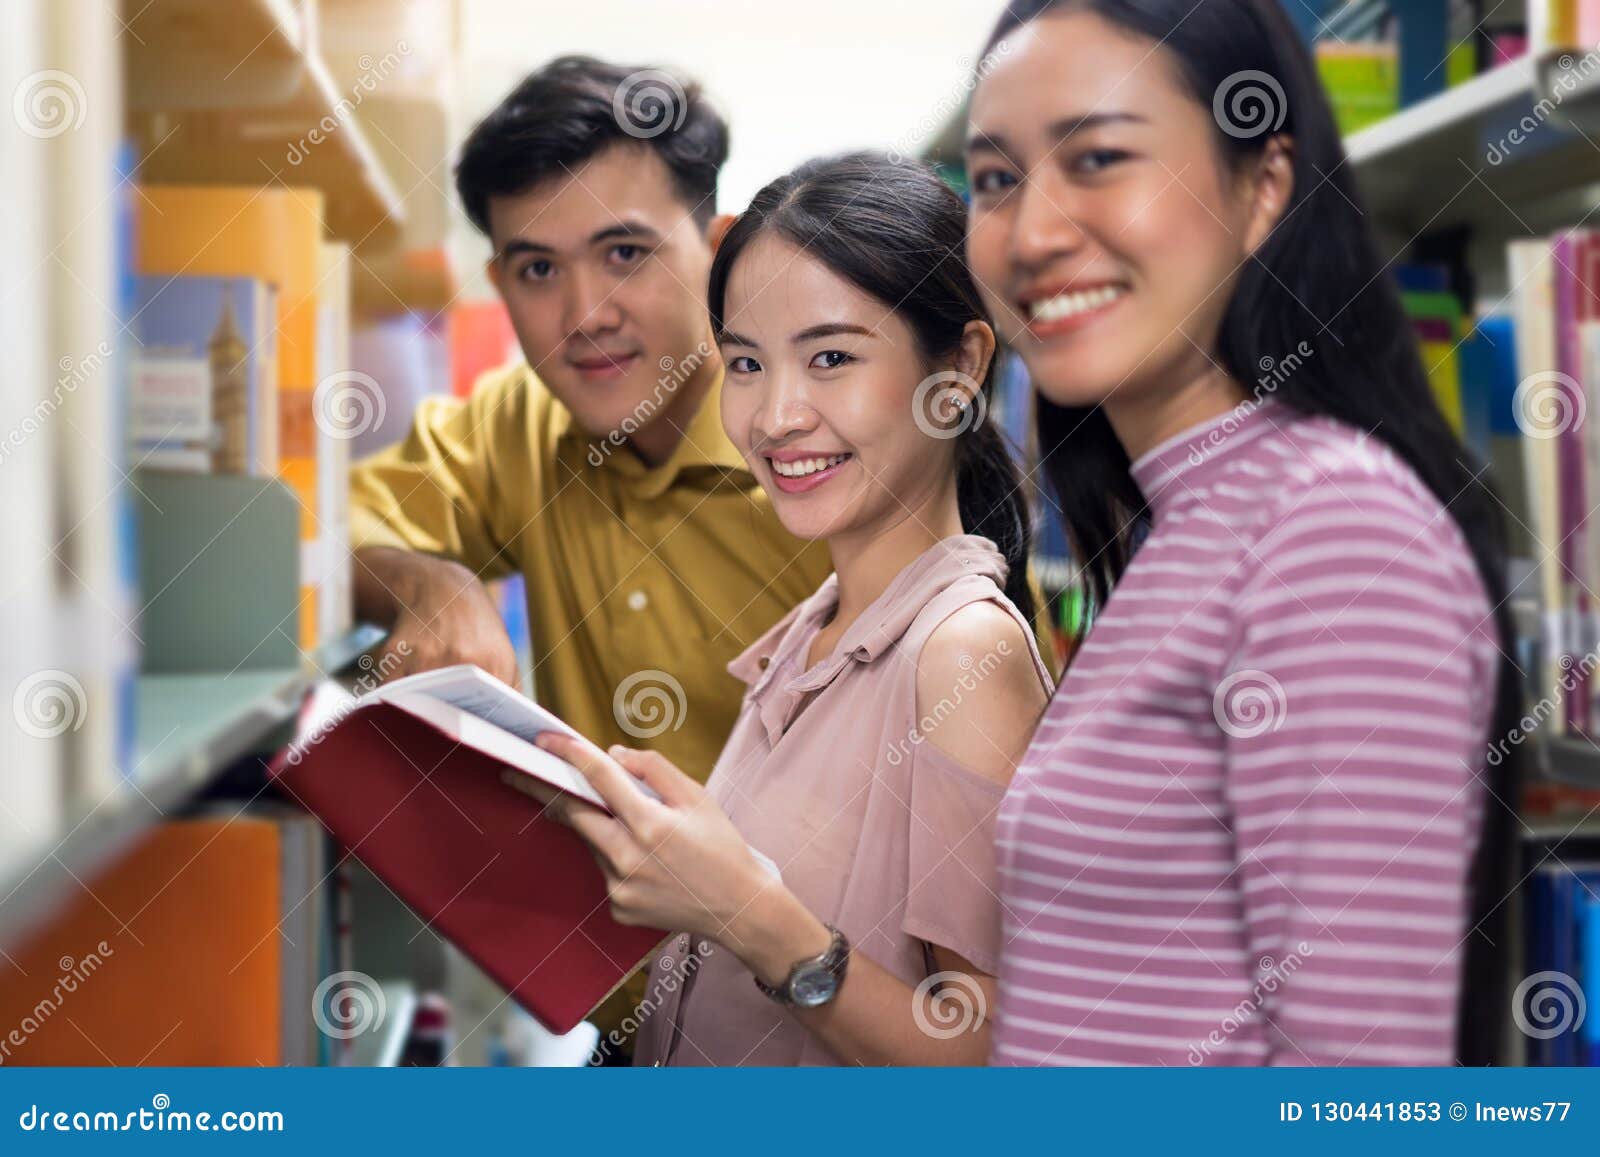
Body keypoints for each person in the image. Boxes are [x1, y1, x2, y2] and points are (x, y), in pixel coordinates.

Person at [964, 0, 1515, 1065]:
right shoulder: (1190, 524)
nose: (1031, 234)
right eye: (995, 178)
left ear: (1262, 188)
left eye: (1099, 157)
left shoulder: (1330, 530)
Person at [515, 153, 1055, 1065]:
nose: (774, 416)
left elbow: (992, 1063)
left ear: (960, 364)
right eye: (746, 363)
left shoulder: (963, 651)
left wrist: (746, 911)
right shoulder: (817, 629)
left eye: (832, 357)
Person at [346, 55, 833, 1046]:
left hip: (832, 1041)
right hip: (628, 1043)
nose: (584, 316)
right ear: (499, 283)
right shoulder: (518, 423)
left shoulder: (831, 448)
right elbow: (321, 536)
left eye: (625, 253)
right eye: (538, 269)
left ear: (722, 251)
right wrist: (431, 582)